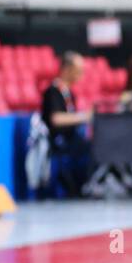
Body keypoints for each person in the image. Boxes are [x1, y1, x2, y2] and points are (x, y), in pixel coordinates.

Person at [40, 52, 93, 197]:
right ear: (66, 69)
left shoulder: (69, 93)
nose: (81, 74)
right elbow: (56, 119)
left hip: (73, 138)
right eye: (78, 70)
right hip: (58, 141)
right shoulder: (53, 92)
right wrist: (83, 117)